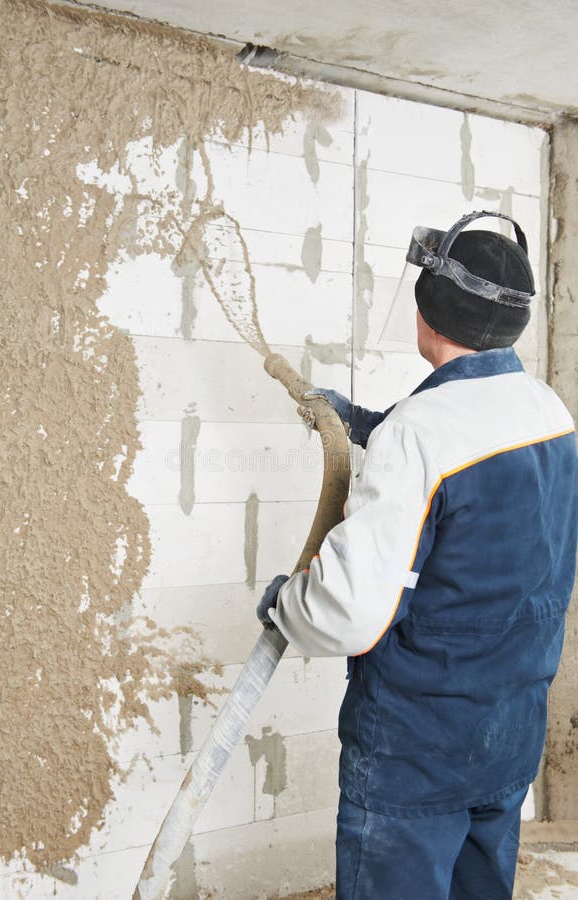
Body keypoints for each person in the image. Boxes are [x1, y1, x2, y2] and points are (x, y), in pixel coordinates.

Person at [257, 212, 578, 899]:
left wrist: (285, 604)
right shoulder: (547, 411)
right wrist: (366, 424)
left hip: (419, 745)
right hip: (507, 727)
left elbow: (348, 615)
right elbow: (467, 488)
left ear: (427, 309)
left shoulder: (419, 436)